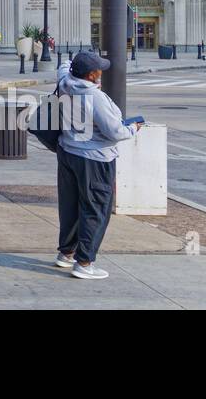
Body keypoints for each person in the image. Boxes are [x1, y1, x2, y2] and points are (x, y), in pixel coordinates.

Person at [54, 49, 140, 280]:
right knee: (95, 209)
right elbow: (114, 131)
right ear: (91, 75)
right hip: (95, 158)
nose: (101, 72)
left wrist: (69, 63)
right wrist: (132, 128)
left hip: (68, 151)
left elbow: (63, 66)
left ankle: (66, 253)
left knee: (70, 205)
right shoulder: (95, 98)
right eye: (98, 69)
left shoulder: (64, 83)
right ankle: (84, 263)